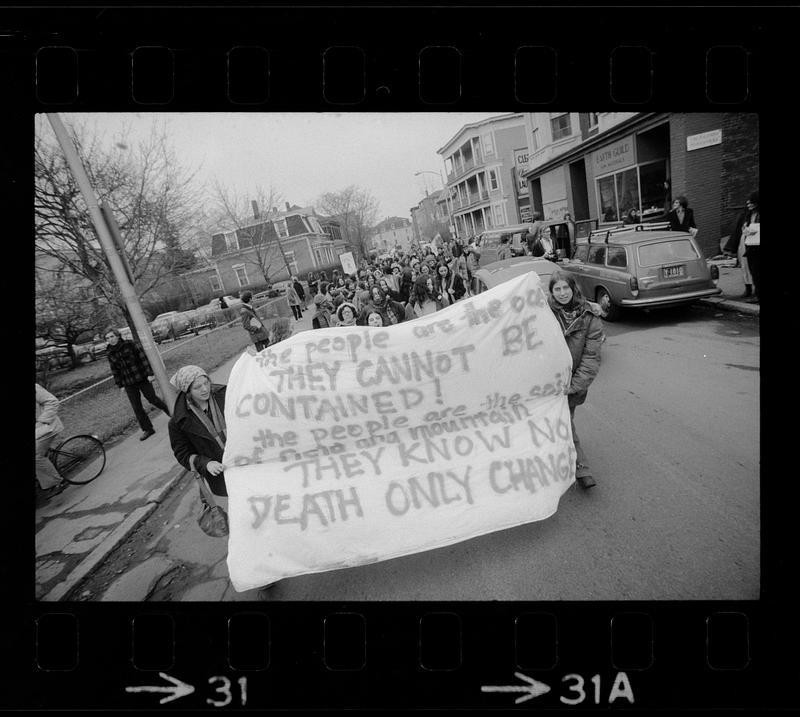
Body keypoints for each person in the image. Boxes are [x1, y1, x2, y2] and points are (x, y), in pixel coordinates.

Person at [547, 271, 605, 489]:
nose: (562, 293)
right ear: (551, 292)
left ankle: (574, 463)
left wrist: (573, 387)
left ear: (573, 289)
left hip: (571, 385)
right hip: (546, 383)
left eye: (566, 288)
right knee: (559, 423)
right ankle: (581, 468)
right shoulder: (543, 312)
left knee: (564, 421)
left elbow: (591, 358)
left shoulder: (590, 318)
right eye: (557, 289)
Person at [168, 366, 228, 498]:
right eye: (197, 387)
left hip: (245, 462)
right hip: (220, 475)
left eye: (206, 383)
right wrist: (206, 463)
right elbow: (183, 454)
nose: (205, 389)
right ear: (187, 391)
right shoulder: (178, 422)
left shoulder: (226, 395)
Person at [104, 327, 171, 441]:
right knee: (136, 407)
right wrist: (120, 384)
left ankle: (172, 412)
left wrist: (149, 374)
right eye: (107, 338)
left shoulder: (130, 344)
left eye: (112, 336)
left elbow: (142, 358)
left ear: (117, 336)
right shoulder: (109, 352)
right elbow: (114, 369)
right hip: (128, 383)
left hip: (141, 377)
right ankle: (148, 429)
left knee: (152, 399)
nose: (110, 339)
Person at [723, 192, 758, 300]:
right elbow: (738, 230)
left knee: (755, 269)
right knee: (745, 266)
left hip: (755, 245)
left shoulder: (757, 215)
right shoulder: (746, 214)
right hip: (744, 243)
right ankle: (748, 288)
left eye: (751, 202)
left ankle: (756, 292)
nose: (748, 204)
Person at [35, 383, 64, 492]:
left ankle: (55, 482)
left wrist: (42, 421)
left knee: (36, 456)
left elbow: (52, 401)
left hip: (47, 427)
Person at [740, 192, 760, 303]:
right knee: (753, 271)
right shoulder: (749, 214)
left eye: (751, 202)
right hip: (750, 246)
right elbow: (745, 226)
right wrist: (745, 229)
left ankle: (758, 295)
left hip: (757, 247)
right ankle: (757, 294)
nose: (748, 204)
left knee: (757, 272)